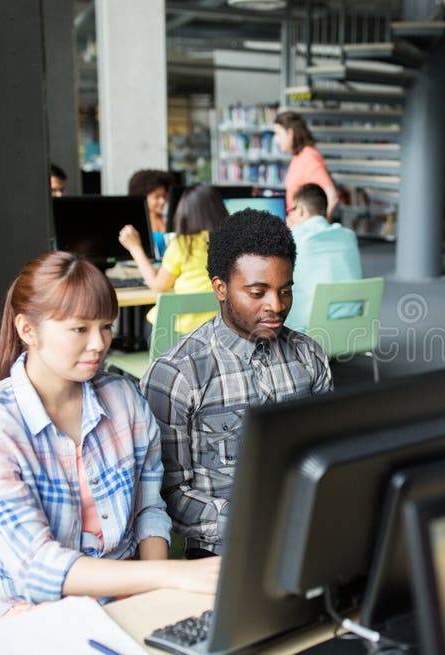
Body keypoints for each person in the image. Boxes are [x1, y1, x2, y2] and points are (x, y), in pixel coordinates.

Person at [0, 251, 219, 622]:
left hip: (126, 599)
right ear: (27, 330)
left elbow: (149, 510)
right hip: (31, 615)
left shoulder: (126, 399)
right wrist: (168, 574)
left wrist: (154, 600)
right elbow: (37, 566)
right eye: (80, 329)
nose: (99, 343)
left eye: (106, 326)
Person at [140, 209, 332, 558]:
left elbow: (329, 451)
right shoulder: (177, 375)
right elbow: (168, 494)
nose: (276, 305)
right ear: (221, 288)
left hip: (308, 534)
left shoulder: (309, 356)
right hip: (226, 551)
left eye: (285, 291)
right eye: (258, 293)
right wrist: (256, 522)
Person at [119, 183, 227, 334]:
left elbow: (158, 286)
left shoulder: (183, 243)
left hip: (177, 333)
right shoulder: (232, 243)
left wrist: (134, 247)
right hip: (216, 331)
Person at [284, 182, 363, 332]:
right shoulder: (349, 236)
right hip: (353, 328)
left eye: (292, 209)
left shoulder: (294, 237)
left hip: (309, 332)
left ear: (300, 210)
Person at [273, 111, 338, 219]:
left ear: (290, 133)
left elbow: (332, 197)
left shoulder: (309, 157)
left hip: (306, 232)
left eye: (278, 133)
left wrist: (318, 227)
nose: (275, 139)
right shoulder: (298, 157)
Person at [127, 169, 174, 259]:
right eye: (156, 197)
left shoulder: (170, 220)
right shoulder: (135, 225)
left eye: (164, 196)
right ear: (142, 197)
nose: (162, 201)